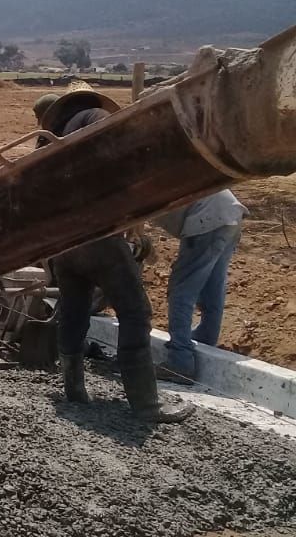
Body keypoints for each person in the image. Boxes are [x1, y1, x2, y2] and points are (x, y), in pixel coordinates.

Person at [36, 83, 193, 422]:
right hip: (99, 235)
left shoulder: (50, 140)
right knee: (135, 313)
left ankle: (74, 388)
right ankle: (146, 404)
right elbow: (124, 161)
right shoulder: (97, 116)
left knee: (74, 309)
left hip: (65, 242)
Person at [150, 190, 247, 384]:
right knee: (212, 287)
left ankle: (180, 360)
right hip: (230, 213)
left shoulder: (134, 182)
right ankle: (205, 342)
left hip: (207, 219)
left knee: (180, 289)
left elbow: (133, 227)